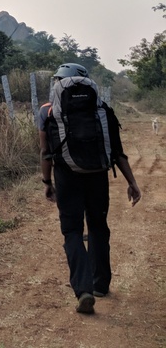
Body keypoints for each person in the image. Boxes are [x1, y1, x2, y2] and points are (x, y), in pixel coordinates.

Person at [38, 63, 142, 314]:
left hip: (67, 177)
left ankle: (82, 289)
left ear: (58, 82)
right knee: (98, 226)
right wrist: (132, 182)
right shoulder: (103, 110)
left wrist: (47, 182)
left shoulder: (47, 111)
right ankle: (100, 285)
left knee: (72, 231)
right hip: (97, 176)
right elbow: (117, 152)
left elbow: (46, 152)